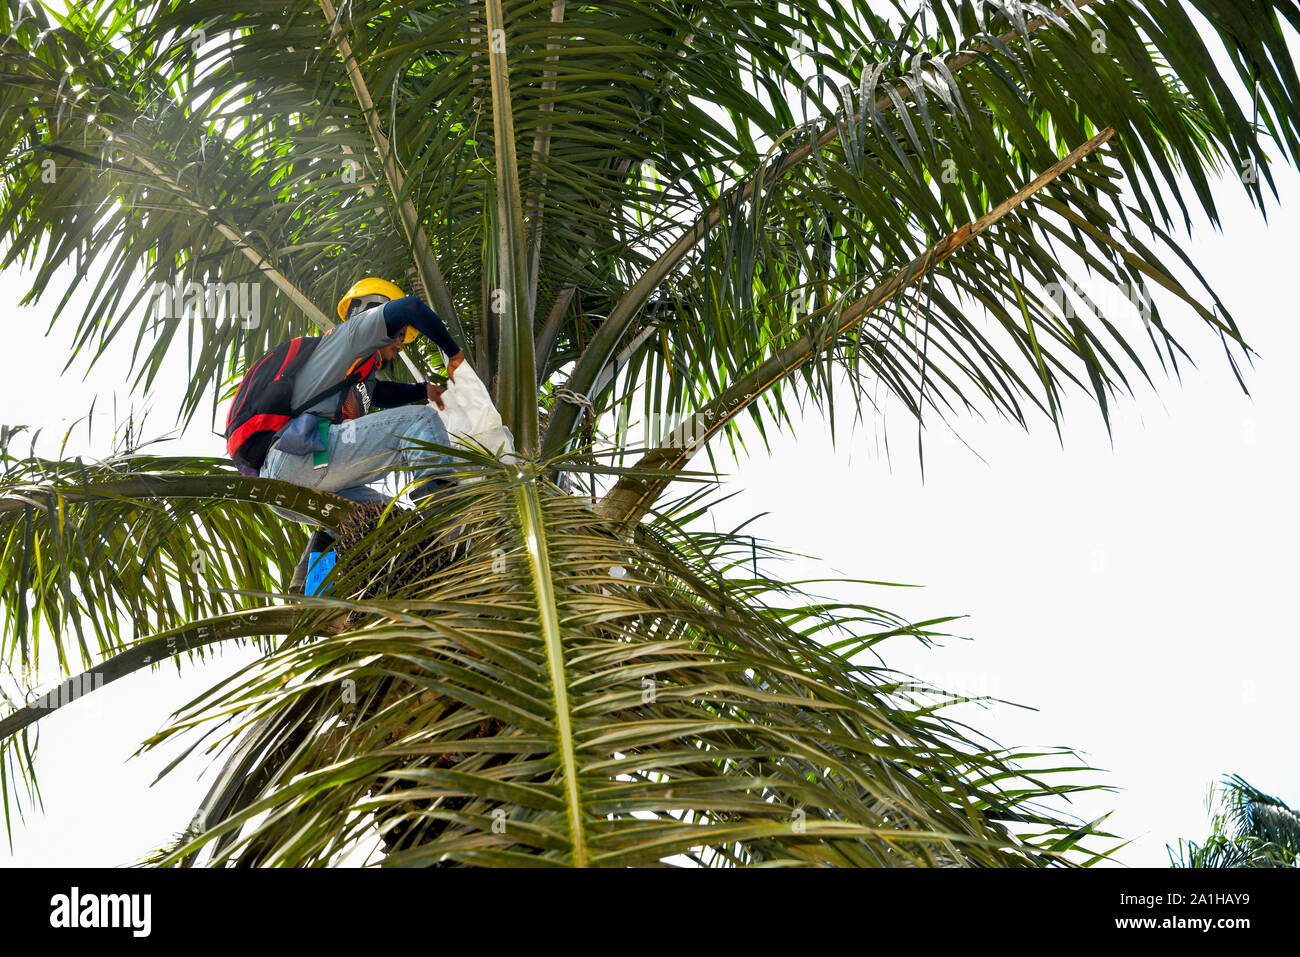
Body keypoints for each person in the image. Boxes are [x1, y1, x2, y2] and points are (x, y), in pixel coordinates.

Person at [257, 277, 465, 592]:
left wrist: (424, 389)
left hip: (296, 477)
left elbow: (382, 393)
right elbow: (411, 307)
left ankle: (312, 587)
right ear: (369, 310)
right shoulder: (352, 336)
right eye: (398, 335)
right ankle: (444, 516)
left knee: (381, 520)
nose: (399, 345)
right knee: (421, 421)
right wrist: (453, 353)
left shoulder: (357, 376)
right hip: (297, 456)